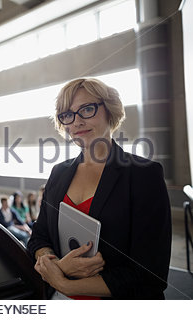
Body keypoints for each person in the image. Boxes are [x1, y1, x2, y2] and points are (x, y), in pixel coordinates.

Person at [27, 78, 171, 300]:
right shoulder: (59, 173)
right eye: (67, 115)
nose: (76, 122)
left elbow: (150, 275)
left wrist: (64, 283)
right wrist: (53, 263)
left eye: (87, 109)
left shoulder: (144, 175)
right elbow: (39, 237)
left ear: (110, 110)